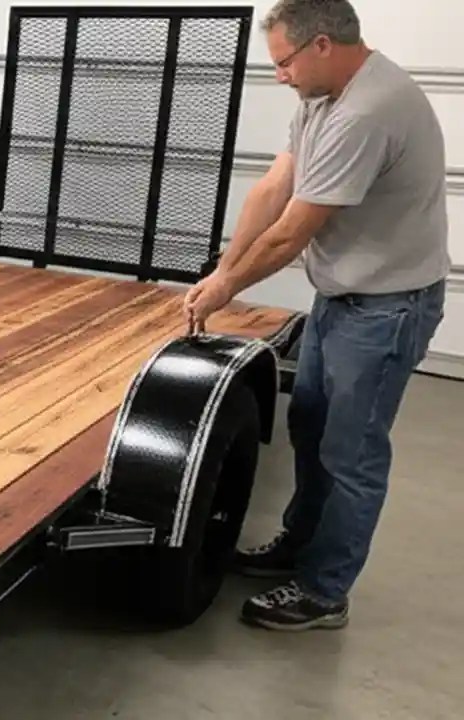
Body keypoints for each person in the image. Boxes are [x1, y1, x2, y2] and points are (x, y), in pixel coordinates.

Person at [184, 0, 450, 631]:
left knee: (351, 453)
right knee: (309, 424)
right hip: (343, 298)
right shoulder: (321, 98)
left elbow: (291, 234)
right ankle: (299, 547)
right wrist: (221, 269)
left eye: (283, 62)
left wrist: (229, 287)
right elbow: (272, 190)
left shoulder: (367, 111)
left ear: (322, 44)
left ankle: (325, 591)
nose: (279, 76)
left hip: (387, 309)